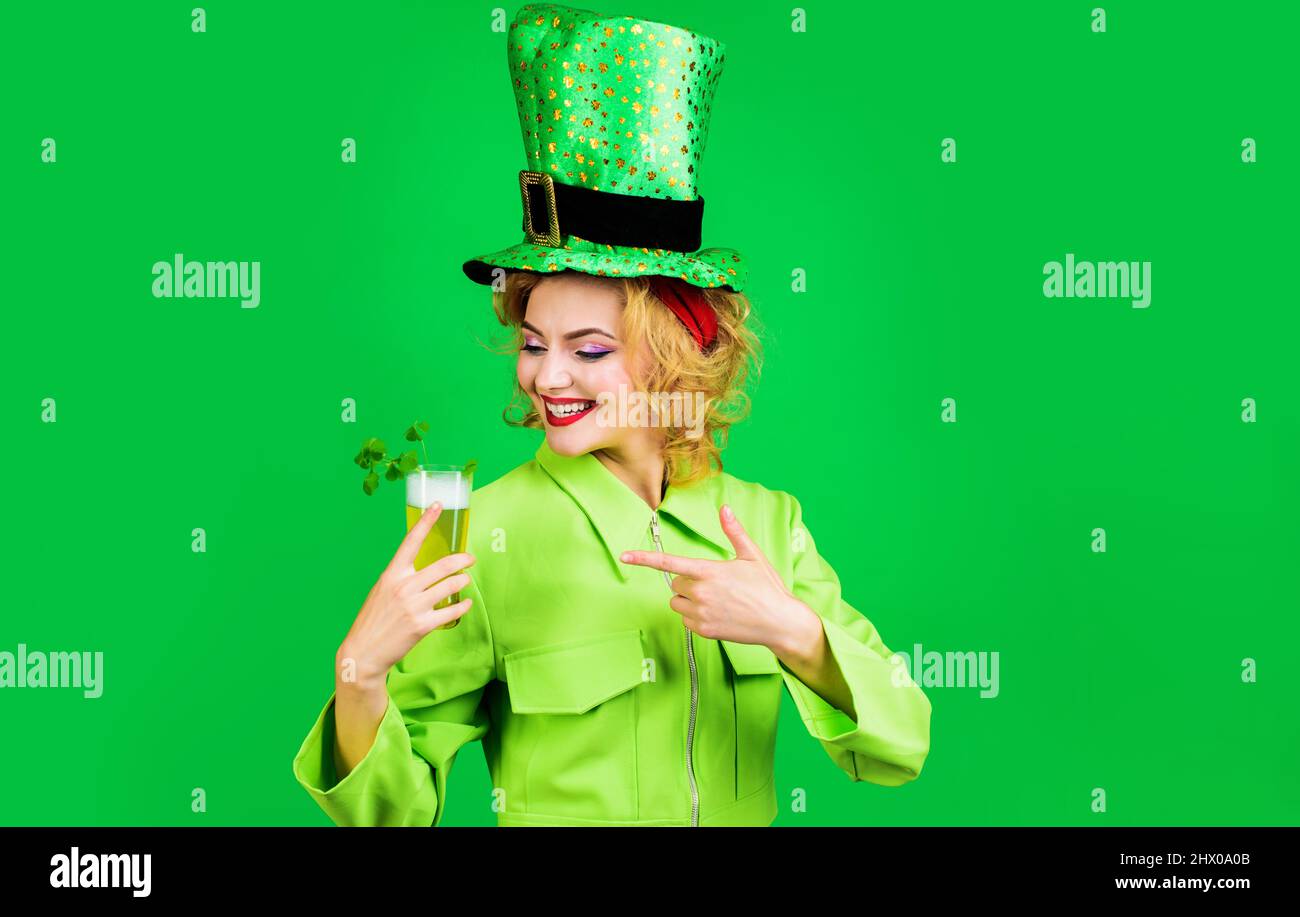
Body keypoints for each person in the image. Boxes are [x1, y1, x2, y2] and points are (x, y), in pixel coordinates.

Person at [291, 2, 931, 827]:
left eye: (589, 350)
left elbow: (900, 747)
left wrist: (794, 632)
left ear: (675, 355)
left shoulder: (770, 526)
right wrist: (359, 674)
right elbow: (390, 813)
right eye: (532, 342)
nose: (546, 376)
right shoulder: (479, 537)